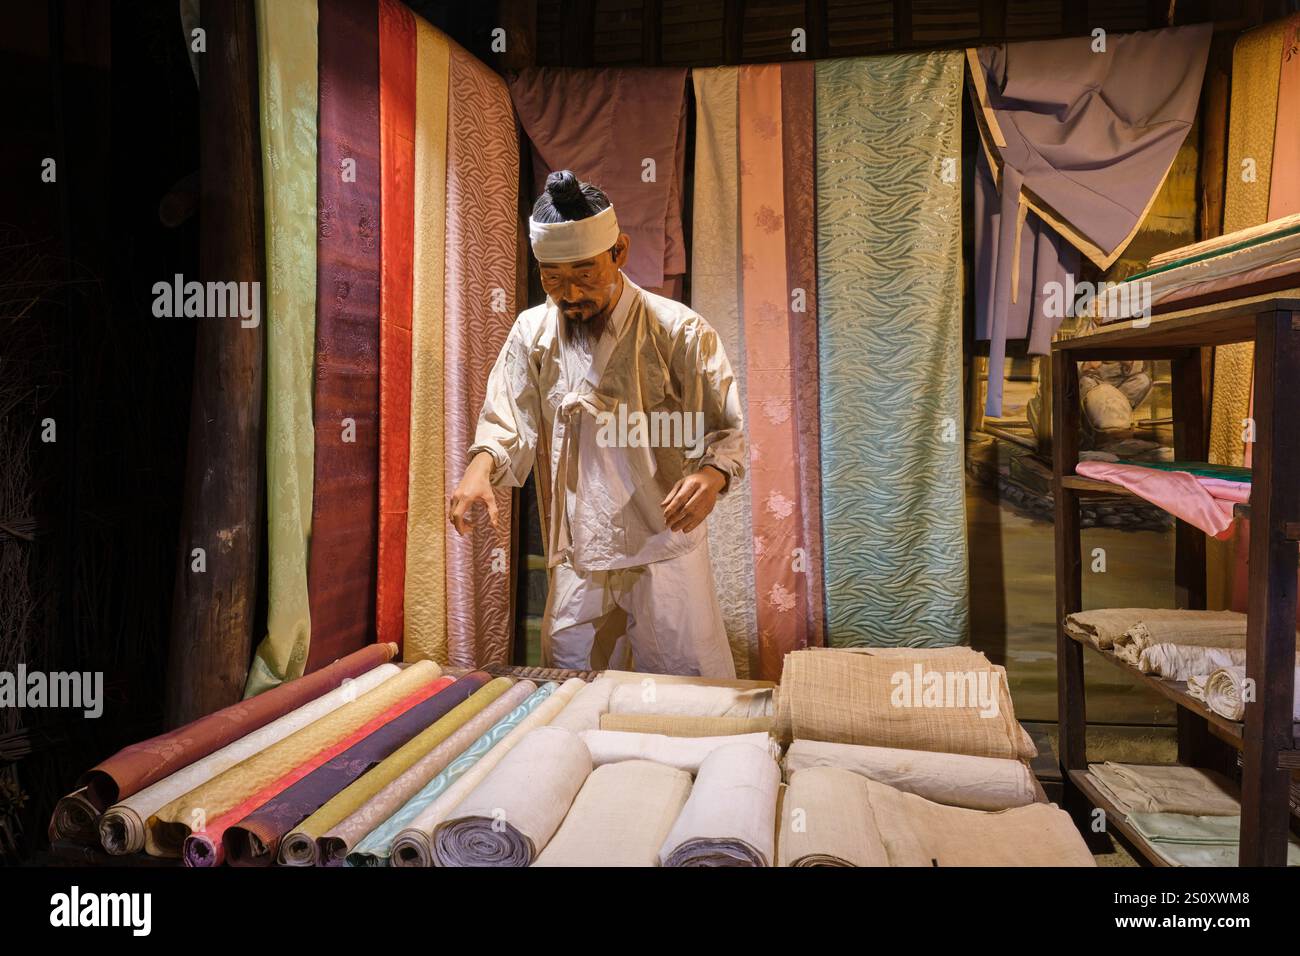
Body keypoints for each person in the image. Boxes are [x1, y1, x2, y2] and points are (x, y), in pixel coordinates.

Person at [449, 170, 745, 677]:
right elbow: (507, 416)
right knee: (570, 678)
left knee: (681, 676)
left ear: (620, 252)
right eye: (553, 277)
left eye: (585, 273)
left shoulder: (678, 329)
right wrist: (480, 469)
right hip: (581, 536)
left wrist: (711, 475)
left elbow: (725, 430)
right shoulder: (533, 329)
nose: (569, 293)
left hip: (662, 535)